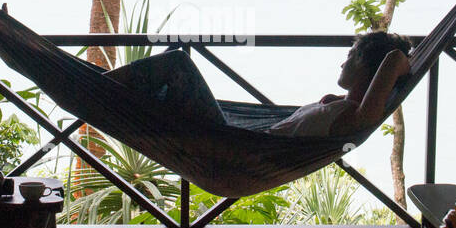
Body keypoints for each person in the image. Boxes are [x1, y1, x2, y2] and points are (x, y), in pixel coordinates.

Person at [102, 30, 413, 138]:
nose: (343, 61)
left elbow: (396, 59)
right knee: (168, 69)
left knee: (177, 63)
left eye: (351, 55)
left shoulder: (354, 118)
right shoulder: (345, 108)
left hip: (227, 142)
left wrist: (395, 56)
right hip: (236, 136)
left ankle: (100, 89)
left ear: (368, 66)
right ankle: (105, 90)